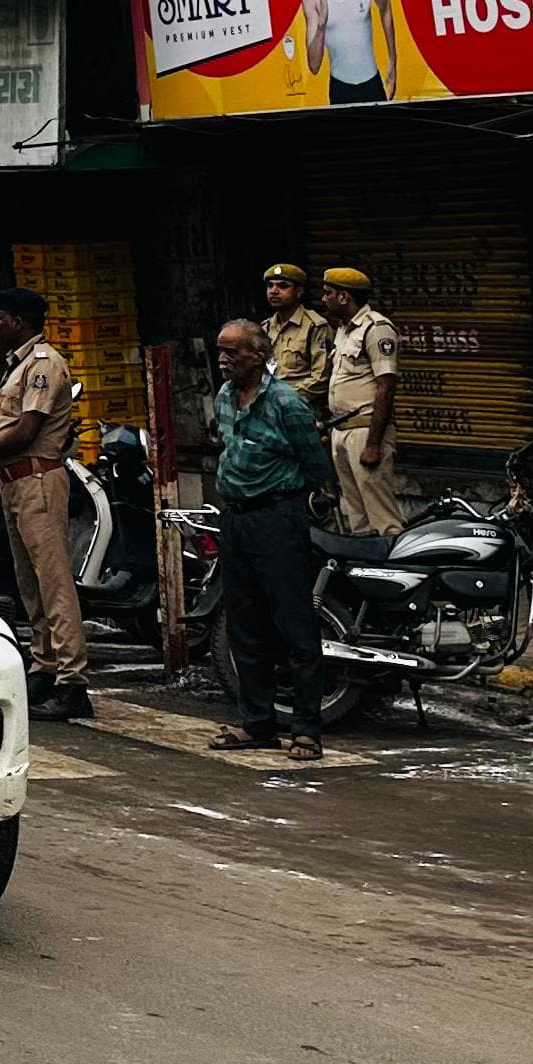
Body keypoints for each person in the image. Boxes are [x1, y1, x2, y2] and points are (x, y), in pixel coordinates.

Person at [205, 316, 334, 758]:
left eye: (232, 352)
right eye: (220, 350)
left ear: (258, 356)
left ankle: (306, 730)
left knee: (294, 624)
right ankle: (258, 723)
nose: (223, 360)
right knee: (245, 625)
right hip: (237, 519)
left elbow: (316, 467)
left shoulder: (286, 403)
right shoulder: (223, 398)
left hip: (278, 519)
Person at [0, 289, 92, 721]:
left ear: (19, 321)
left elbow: (25, 429)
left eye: (0, 317)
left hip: (37, 478)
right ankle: (45, 664)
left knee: (53, 581)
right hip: (13, 481)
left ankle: (73, 680)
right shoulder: (16, 366)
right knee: (30, 584)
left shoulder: (43, 364)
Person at [318, 267, 401, 536]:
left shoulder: (376, 328)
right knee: (355, 514)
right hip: (343, 431)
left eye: (328, 293)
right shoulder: (343, 330)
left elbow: (386, 386)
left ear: (343, 297)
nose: (323, 299)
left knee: (381, 515)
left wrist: (374, 443)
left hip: (365, 432)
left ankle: (394, 568)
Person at [257, 266, 330, 402]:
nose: (274, 291)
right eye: (270, 286)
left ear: (299, 291)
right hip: (271, 406)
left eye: (283, 286)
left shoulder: (315, 325)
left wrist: (285, 398)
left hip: (303, 406)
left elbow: (321, 378)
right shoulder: (266, 328)